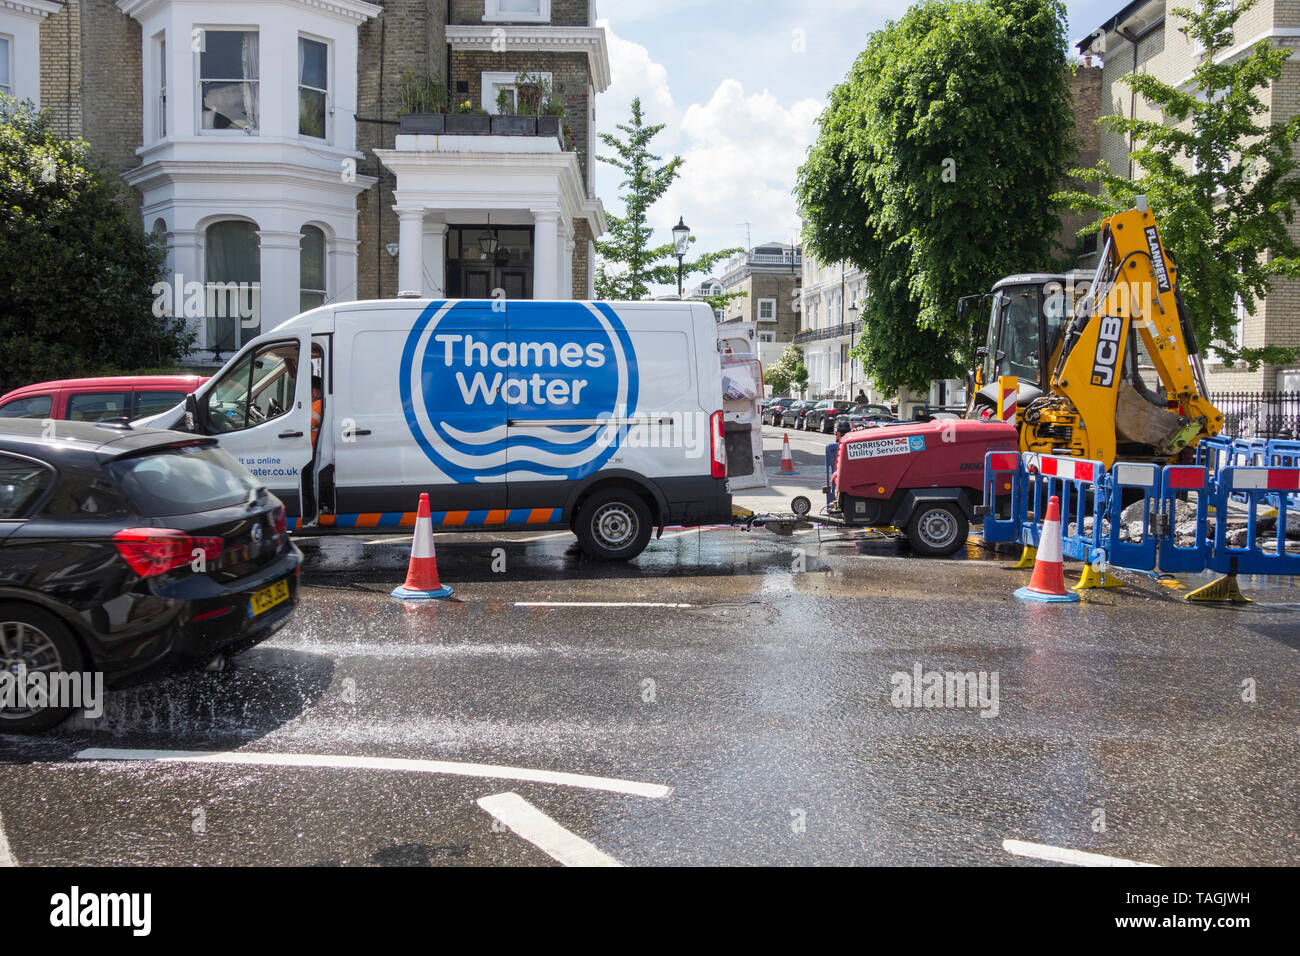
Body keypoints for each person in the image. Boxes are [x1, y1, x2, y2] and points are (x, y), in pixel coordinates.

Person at [310, 376, 323, 447]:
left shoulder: (319, 404)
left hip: (313, 448)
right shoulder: (317, 403)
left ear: (315, 392)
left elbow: (307, 424)